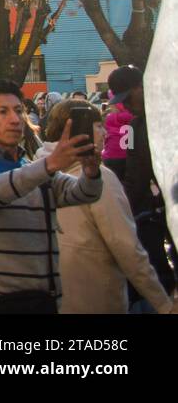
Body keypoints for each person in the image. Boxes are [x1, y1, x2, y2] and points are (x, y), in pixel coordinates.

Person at [0, 79, 102, 314]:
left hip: (44, 300)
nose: (15, 119)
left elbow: (84, 193)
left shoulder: (32, 167)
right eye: (3, 112)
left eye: (18, 110)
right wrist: (49, 164)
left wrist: (91, 171)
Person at [35, 100, 173, 314]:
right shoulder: (100, 178)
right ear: (77, 130)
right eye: (98, 126)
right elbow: (127, 248)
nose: (105, 133)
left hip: (53, 299)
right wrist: (164, 304)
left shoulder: (35, 172)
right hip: (96, 298)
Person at [108, 65, 177, 305]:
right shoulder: (135, 128)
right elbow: (134, 178)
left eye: (128, 97)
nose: (126, 105)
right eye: (121, 101)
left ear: (142, 87)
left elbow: (135, 181)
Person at [102, 99, 132, 181]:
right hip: (128, 156)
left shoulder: (109, 118)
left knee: (113, 182)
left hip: (111, 155)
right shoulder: (133, 117)